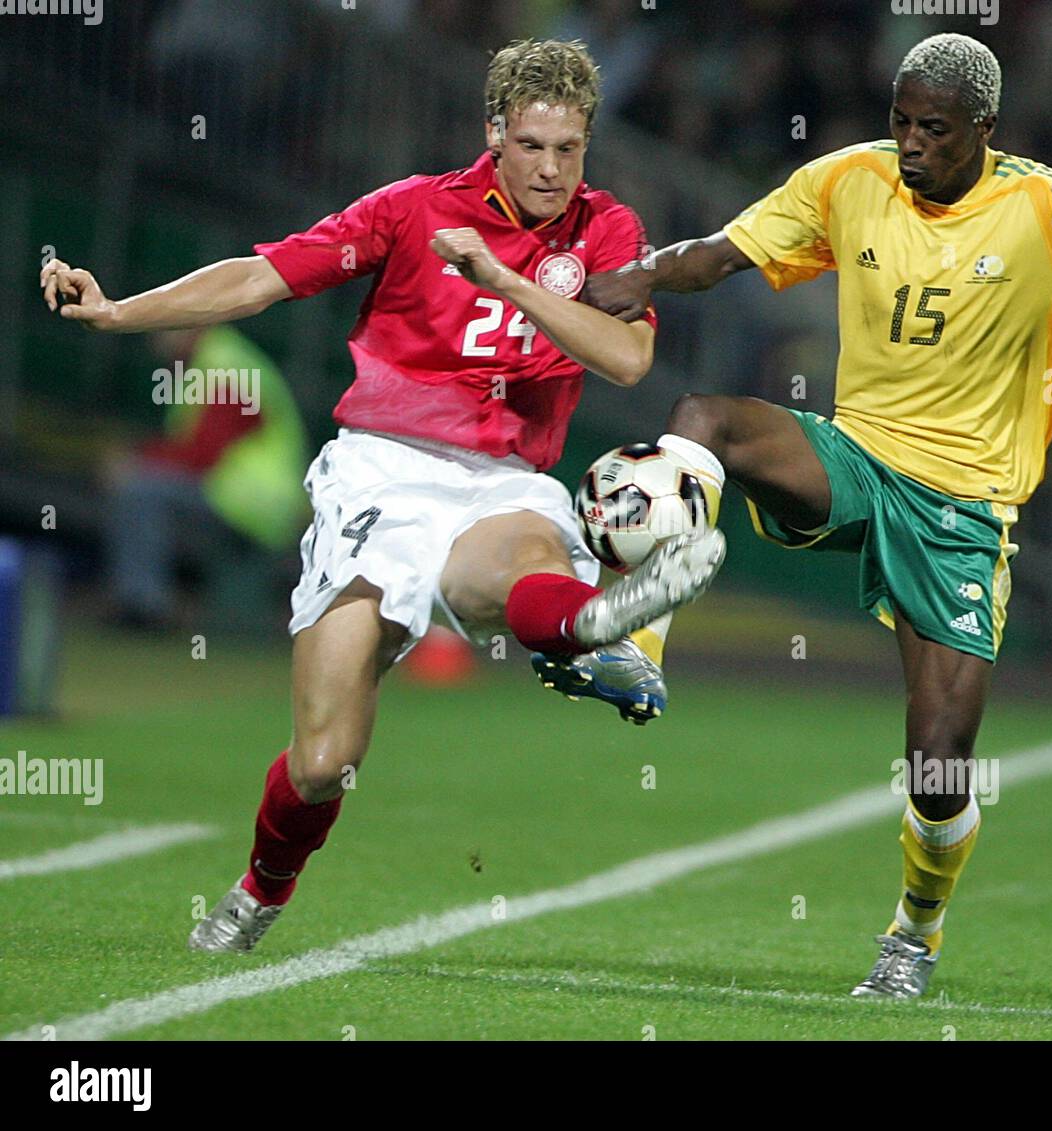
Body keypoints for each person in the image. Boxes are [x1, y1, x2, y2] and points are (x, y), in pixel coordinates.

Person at [580, 32, 1052, 999]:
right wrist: (641, 273)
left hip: (963, 508)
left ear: (985, 131)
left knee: (937, 763)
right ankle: (645, 639)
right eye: (902, 122)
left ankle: (912, 934)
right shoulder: (850, 181)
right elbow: (724, 252)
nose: (913, 144)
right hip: (858, 455)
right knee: (704, 419)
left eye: (936, 129)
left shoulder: (1049, 205)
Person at [41, 38, 725, 953]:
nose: (553, 169)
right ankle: (260, 887)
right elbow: (262, 274)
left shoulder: (606, 231)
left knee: (520, 559)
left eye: (570, 148)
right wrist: (123, 309)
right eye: (532, 145)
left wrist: (505, 278)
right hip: (380, 471)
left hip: (504, 479)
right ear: (494, 132)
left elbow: (628, 357)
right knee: (324, 761)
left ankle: (594, 624)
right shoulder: (412, 208)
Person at [104, 324, 308, 629]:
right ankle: (147, 602)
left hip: (254, 503)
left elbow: (203, 454)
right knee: (145, 488)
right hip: (242, 497)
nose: (156, 337)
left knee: (141, 491)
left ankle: (144, 607)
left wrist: (136, 460)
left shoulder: (225, 368)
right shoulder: (216, 360)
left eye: (165, 326)